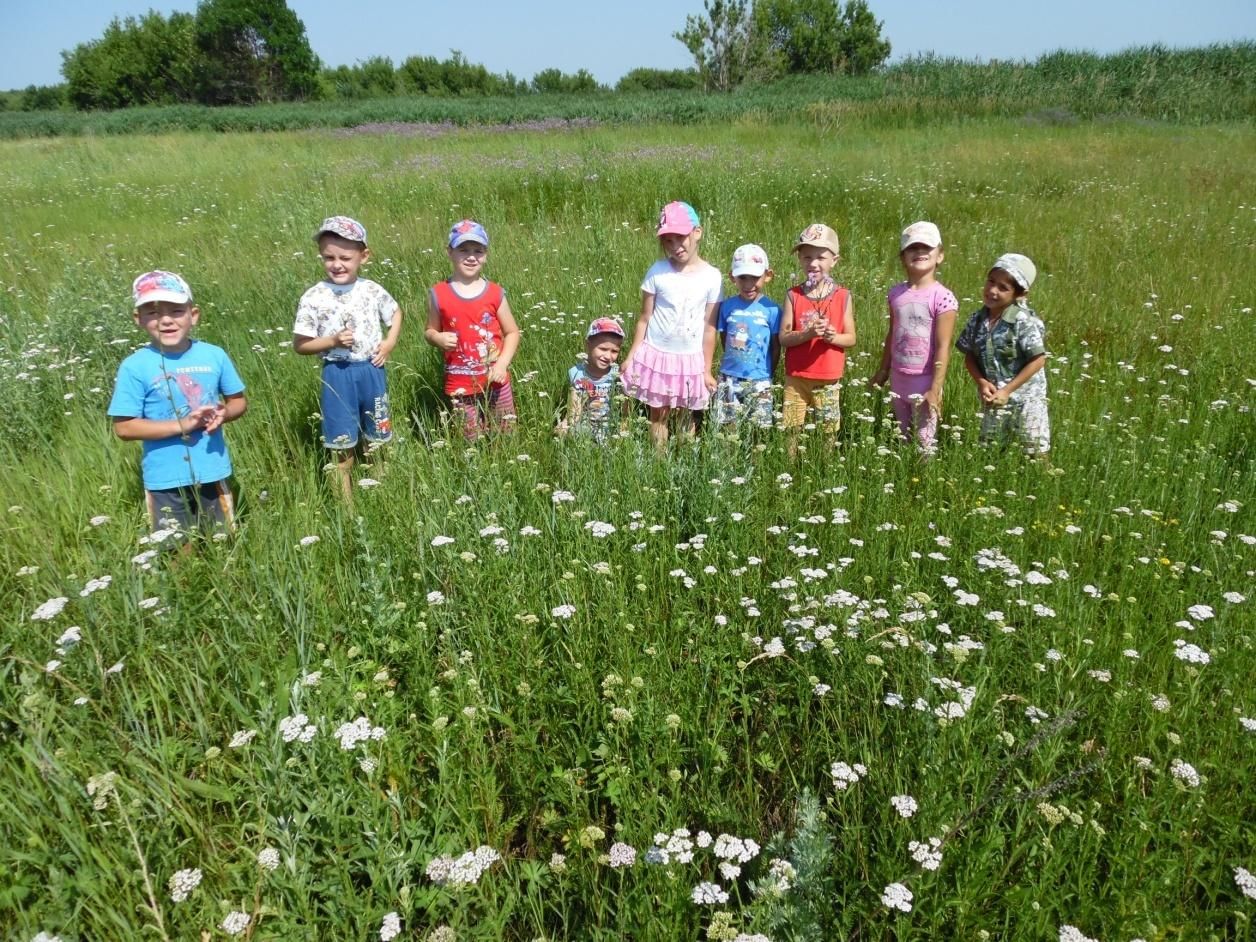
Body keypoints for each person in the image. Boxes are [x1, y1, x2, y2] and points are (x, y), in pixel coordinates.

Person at [109, 270, 247, 541]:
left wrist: (224, 412)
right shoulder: (134, 366)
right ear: (138, 319)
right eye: (153, 313)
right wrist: (182, 425)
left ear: (193, 315)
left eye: (176, 311)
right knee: (175, 548)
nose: (166, 321)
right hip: (164, 478)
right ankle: (185, 583)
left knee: (224, 540)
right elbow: (124, 427)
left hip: (213, 469)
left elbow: (239, 402)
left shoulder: (214, 355)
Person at [292, 215, 402, 499]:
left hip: (371, 371)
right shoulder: (314, 296)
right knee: (341, 445)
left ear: (363, 256)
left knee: (378, 439)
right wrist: (331, 341)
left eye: (345, 257)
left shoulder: (371, 289)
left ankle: (381, 496)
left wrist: (389, 343)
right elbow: (301, 344)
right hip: (337, 374)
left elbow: (395, 313)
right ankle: (346, 506)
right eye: (329, 257)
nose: (337, 264)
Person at [621, 200, 723, 448]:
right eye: (668, 240)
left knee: (687, 415)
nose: (675, 246)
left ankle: (685, 464)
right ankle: (659, 466)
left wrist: (706, 369)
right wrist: (632, 355)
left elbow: (710, 328)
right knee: (659, 413)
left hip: (690, 358)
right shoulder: (657, 271)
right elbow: (644, 318)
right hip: (657, 355)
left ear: (697, 232)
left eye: (681, 237)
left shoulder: (712, 276)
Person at [425, 219, 520, 439]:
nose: (471, 256)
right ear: (449, 252)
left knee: (504, 433)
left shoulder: (495, 293)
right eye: (463, 250)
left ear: (485, 255)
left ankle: (502, 463)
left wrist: (502, 364)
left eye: (478, 250)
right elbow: (429, 331)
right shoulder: (439, 293)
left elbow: (512, 332)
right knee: (469, 437)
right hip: (460, 383)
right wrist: (437, 338)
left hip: (496, 379)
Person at [871, 221, 959, 453]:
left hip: (925, 380)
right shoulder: (895, 294)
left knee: (924, 440)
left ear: (939, 255)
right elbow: (893, 333)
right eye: (912, 248)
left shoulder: (943, 298)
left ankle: (924, 483)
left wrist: (935, 388)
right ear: (902, 257)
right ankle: (907, 482)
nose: (919, 252)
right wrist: (882, 371)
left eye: (926, 248)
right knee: (902, 435)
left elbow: (943, 346)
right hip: (899, 378)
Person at [955, 253, 1050, 456]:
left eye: (1003, 288)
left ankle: (1045, 481)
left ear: (1020, 294)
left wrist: (1008, 390)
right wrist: (981, 382)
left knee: (1034, 448)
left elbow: (1038, 359)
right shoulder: (978, 320)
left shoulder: (1023, 321)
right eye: (991, 282)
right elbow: (969, 355)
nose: (992, 291)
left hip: (1027, 399)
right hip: (994, 398)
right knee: (990, 447)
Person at [779, 223, 855, 450]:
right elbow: (783, 337)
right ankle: (789, 468)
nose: (813, 263)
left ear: (834, 260)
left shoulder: (843, 296)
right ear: (800, 260)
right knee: (792, 428)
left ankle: (826, 467)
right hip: (797, 377)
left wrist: (833, 337)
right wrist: (808, 333)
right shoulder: (793, 295)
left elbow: (851, 338)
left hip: (829, 378)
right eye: (807, 257)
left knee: (828, 430)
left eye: (821, 257)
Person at [709, 243, 781, 430]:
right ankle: (727, 459)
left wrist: (767, 375)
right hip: (729, 378)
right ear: (733, 277)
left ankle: (756, 461)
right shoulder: (726, 306)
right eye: (743, 278)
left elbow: (775, 346)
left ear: (767, 276)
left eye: (755, 278)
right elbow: (724, 338)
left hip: (760, 379)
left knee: (758, 430)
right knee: (727, 427)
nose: (749, 285)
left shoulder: (772, 310)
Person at [558, 317, 628, 442]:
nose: (608, 356)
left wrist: (623, 428)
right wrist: (566, 424)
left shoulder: (617, 375)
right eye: (603, 349)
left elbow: (625, 412)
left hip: (611, 425)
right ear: (588, 345)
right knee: (566, 431)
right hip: (586, 424)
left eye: (614, 351)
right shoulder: (578, 374)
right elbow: (574, 412)